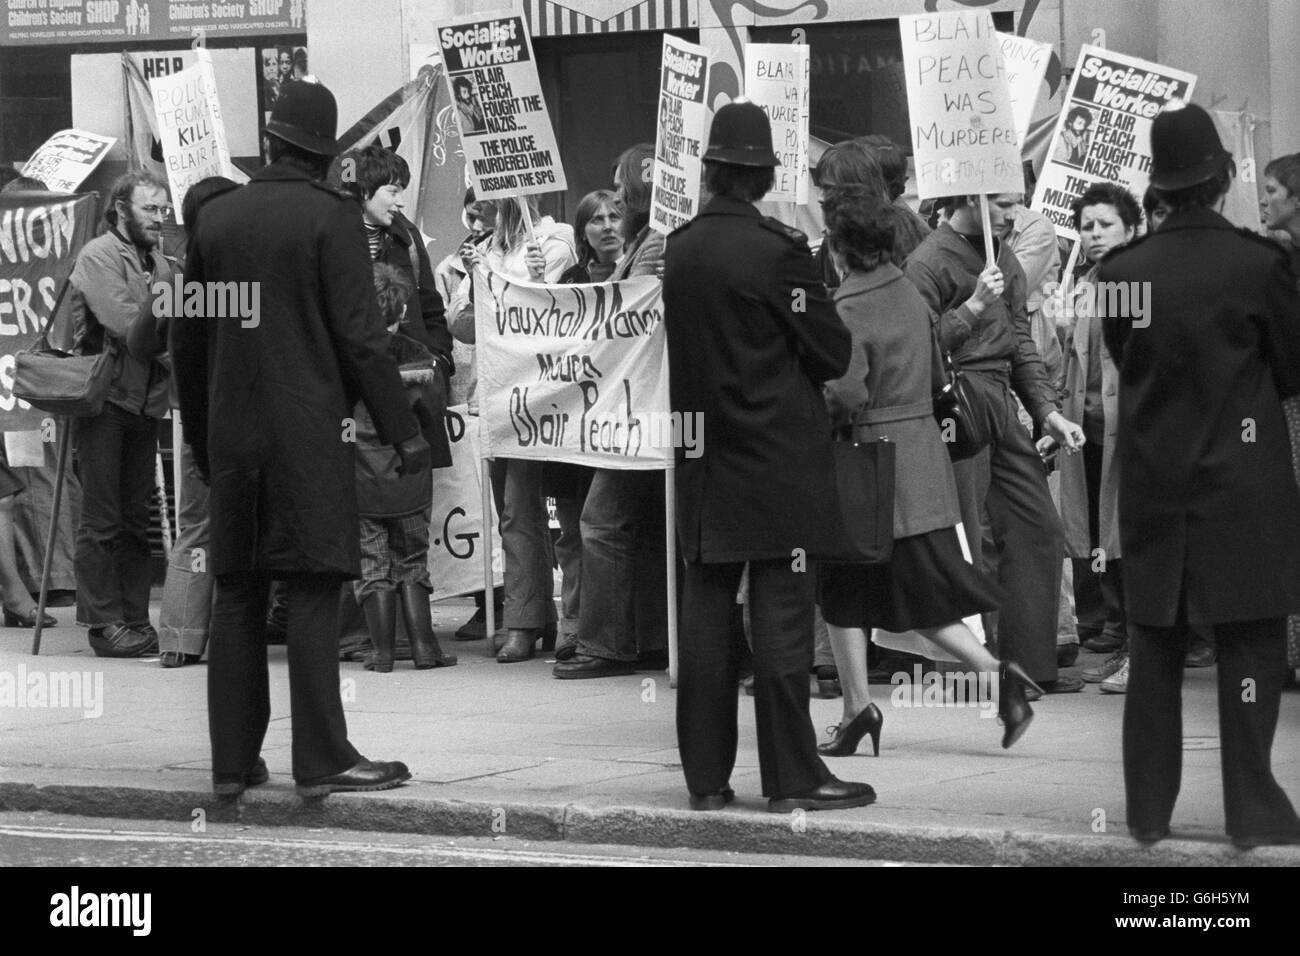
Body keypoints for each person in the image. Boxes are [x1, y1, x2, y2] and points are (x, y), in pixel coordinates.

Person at [173, 79, 427, 797]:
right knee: (314, 587)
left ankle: (231, 765)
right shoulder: (330, 220)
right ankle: (320, 759)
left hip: (233, 438)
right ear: (326, 153)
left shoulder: (216, 221)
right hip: (307, 435)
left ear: (273, 140)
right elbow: (361, 338)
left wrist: (199, 436)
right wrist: (403, 430)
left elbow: (186, 340)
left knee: (239, 594)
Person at [664, 101, 873, 813]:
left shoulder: (681, 248)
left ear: (712, 168)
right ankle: (792, 777)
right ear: (763, 174)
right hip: (778, 463)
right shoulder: (781, 250)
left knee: (707, 619)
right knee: (782, 621)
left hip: (701, 459)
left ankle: (707, 779)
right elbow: (831, 350)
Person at [1101, 101, 1300, 847]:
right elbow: (1293, 367)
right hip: (1243, 484)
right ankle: (1251, 811)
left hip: (1156, 482)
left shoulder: (1120, 270)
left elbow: (1126, 360)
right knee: (1249, 647)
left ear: (1159, 187)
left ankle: (1149, 811)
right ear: (1220, 180)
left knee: (1155, 645)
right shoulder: (1260, 262)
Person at [816, 186, 1037, 757]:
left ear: (839, 247)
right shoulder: (908, 293)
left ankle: (859, 709)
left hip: (871, 463)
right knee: (921, 594)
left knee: (842, 591)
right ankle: (996, 677)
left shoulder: (848, 305)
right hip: (921, 460)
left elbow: (845, 394)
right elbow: (938, 363)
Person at [904, 194, 1086, 694]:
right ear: (972, 200)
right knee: (964, 539)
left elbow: (1020, 337)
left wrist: (1048, 411)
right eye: (1004, 204)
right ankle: (968, 670)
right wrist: (974, 306)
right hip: (955, 401)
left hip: (1001, 399)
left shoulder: (1002, 254)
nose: (1014, 215)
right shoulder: (926, 261)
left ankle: (1026, 665)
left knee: (1039, 527)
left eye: (1017, 203)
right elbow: (917, 347)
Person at [554, 145, 670, 679]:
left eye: (622, 188)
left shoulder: (654, 245)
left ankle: (604, 645)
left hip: (640, 406)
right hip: (635, 403)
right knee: (635, 525)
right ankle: (645, 639)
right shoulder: (644, 241)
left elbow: (619, 305)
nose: (617, 197)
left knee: (600, 522)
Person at [451, 196, 577, 662]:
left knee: (535, 508)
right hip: (497, 395)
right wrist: (474, 277)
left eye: (482, 200)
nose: (474, 212)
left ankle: (529, 623)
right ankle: (536, 616)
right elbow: (462, 325)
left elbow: (541, 304)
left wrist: (535, 276)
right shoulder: (483, 250)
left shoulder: (555, 238)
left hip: (542, 393)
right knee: (514, 513)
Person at [126, 175, 239, 668]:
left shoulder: (176, 281)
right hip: (246, 417)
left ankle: (177, 638)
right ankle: (240, 632)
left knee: (196, 528)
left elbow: (138, 343)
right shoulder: (247, 283)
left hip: (191, 418)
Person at [67, 171, 175, 658]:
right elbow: (132, 327)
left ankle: (135, 617)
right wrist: (186, 355)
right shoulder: (98, 256)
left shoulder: (164, 265)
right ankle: (102, 622)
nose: (160, 218)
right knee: (103, 518)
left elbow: (181, 322)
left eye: (163, 209)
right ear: (121, 209)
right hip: (106, 402)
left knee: (136, 518)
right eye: (150, 209)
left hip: (147, 403)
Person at [1051, 183, 1140, 693]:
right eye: (1087, 226)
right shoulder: (1086, 280)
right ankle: (1121, 639)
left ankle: (1141, 653)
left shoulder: (1135, 283)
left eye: (1106, 224)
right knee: (1101, 539)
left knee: (1126, 539)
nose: (1094, 234)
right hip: (1088, 432)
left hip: (1126, 432)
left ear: (1132, 228)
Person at [351, 262, 457, 672]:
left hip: (361, 477)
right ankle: (425, 649)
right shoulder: (419, 356)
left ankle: (381, 653)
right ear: (400, 312)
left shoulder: (346, 359)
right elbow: (434, 412)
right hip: (411, 477)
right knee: (413, 561)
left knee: (371, 563)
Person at [548, 189, 623, 661]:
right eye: (597, 219)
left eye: (616, 216)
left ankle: (611, 629)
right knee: (572, 531)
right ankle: (573, 626)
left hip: (622, 427)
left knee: (611, 532)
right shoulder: (568, 280)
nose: (608, 226)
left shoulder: (643, 274)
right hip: (574, 426)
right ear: (583, 231)